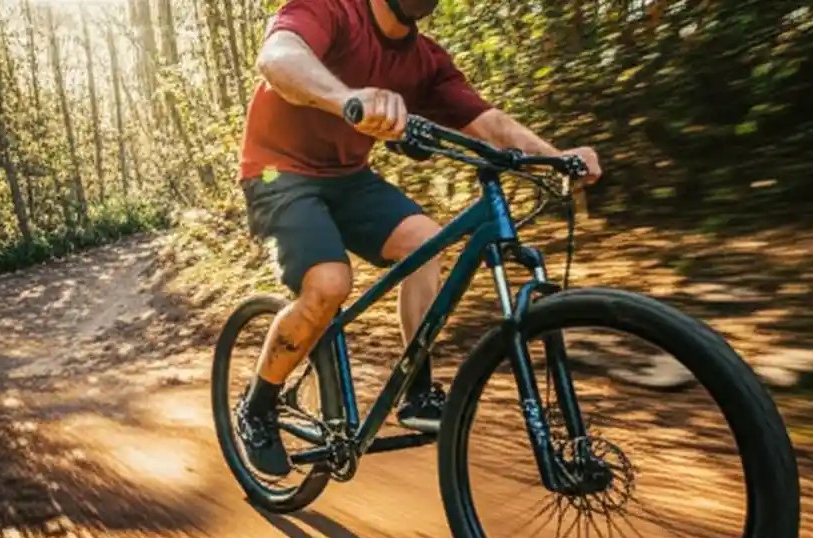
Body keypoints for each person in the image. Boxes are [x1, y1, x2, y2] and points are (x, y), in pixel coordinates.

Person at [236, 0, 602, 477]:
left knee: (427, 242)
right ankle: (257, 406)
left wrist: (556, 158)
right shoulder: (332, 10)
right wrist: (349, 97)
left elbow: (489, 124)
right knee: (328, 285)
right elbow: (278, 58)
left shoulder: (425, 60)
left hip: (348, 176)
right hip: (276, 172)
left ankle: (416, 390)